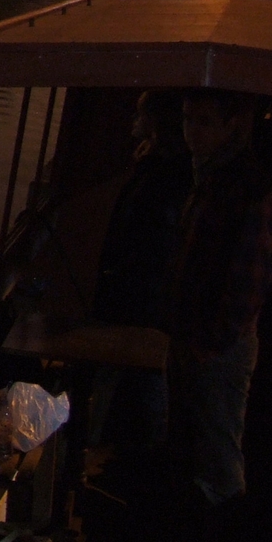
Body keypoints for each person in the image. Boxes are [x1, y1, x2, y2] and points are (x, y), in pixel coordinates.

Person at [169, 90, 272, 513]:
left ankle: (226, 537)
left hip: (216, 343)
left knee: (218, 450)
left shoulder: (247, 189)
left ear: (231, 125)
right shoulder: (212, 177)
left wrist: (212, 341)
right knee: (198, 441)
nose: (191, 132)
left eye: (203, 122)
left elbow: (247, 283)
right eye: (187, 120)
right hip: (196, 334)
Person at [89, 91, 193, 450]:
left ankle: (139, 456)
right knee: (140, 377)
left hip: (141, 294)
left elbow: (149, 236)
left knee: (143, 377)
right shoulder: (163, 170)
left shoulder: (164, 175)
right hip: (139, 291)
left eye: (141, 115)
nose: (134, 123)